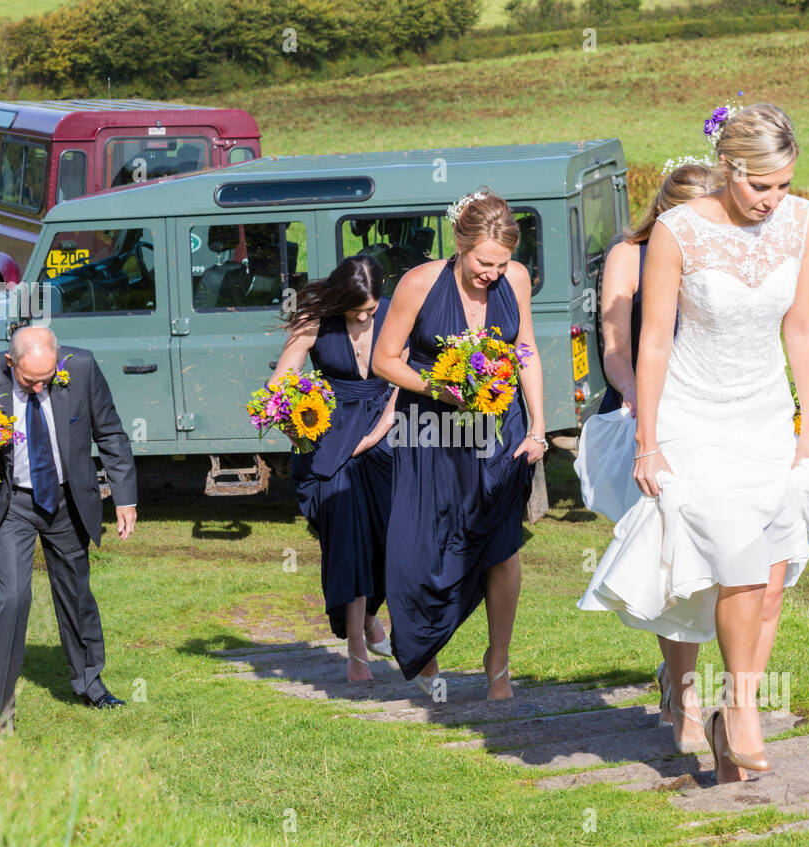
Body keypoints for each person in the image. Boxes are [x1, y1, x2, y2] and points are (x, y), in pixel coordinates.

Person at [579, 104, 809, 782]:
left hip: (767, 418)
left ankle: (729, 713)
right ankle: (740, 709)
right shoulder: (676, 231)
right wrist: (648, 442)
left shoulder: (803, 223)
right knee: (742, 559)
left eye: (782, 186)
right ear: (728, 168)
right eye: (758, 187)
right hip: (694, 419)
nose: (771, 201)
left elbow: (802, 328)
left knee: (772, 577)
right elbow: (653, 340)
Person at [372, 189, 545, 701]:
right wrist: (440, 389)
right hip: (431, 433)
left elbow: (525, 349)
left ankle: (498, 661)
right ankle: (424, 648)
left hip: (499, 429)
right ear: (461, 245)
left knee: (502, 548)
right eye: (483, 262)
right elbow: (385, 360)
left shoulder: (515, 279)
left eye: (501, 263)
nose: (491, 273)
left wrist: (538, 425)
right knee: (417, 550)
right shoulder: (419, 284)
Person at [576, 162, 724, 752]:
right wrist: (639, 397)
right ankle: (685, 692)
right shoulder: (628, 256)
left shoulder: (718, 247)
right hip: (649, 412)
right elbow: (614, 348)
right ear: (665, 214)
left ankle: (684, 682)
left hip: (709, 411)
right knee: (670, 553)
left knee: (713, 552)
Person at [0, 327, 138, 733]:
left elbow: (110, 432)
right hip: (11, 503)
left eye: (48, 377)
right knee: (14, 596)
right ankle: (0, 707)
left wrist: (125, 497)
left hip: (66, 499)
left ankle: (89, 683)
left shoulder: (84, 367)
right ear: (10, 363)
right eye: (30, 380)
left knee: (76, 592)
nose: (41, 386)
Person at [266, 255, 399, 682]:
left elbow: (401, 382)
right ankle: (357, 649)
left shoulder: (396, 314)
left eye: (370, 310)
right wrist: (293, 427)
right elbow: (279, 387)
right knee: (346, 534)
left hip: (383, 428)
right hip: (330, 433)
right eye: (355, 309)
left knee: (387, 535)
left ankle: (368, 619)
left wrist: (375, 435)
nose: (363, 316)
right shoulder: (314, 321)